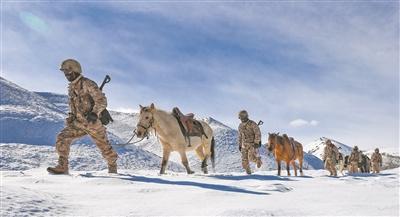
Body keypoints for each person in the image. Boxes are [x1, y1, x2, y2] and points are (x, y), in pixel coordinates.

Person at [47, 59, 118, 174]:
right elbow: (75, 106)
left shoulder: (87, 83)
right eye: (64, 73)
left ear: (75, 71)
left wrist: (95, 113)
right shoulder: (71, 88)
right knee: (62, 137)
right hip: (78, 123)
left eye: (68, 73)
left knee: (105, 148)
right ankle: (62, 166)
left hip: (93, 123)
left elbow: (101, 100)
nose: (66, 76)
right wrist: (71, 117)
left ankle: (112, 167)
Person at [238, 110, 262, 174]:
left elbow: (257, 133)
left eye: (242, 117)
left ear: (245, 116)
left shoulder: (252, 124)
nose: (241, 119)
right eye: (240, 117)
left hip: (252, 144)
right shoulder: (240, 126)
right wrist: (240, 145)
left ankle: (258, 160)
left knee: (251, 158)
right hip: (244, 145)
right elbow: (240, 136)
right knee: (244, 162)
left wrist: (257, 142)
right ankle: (249, 174)